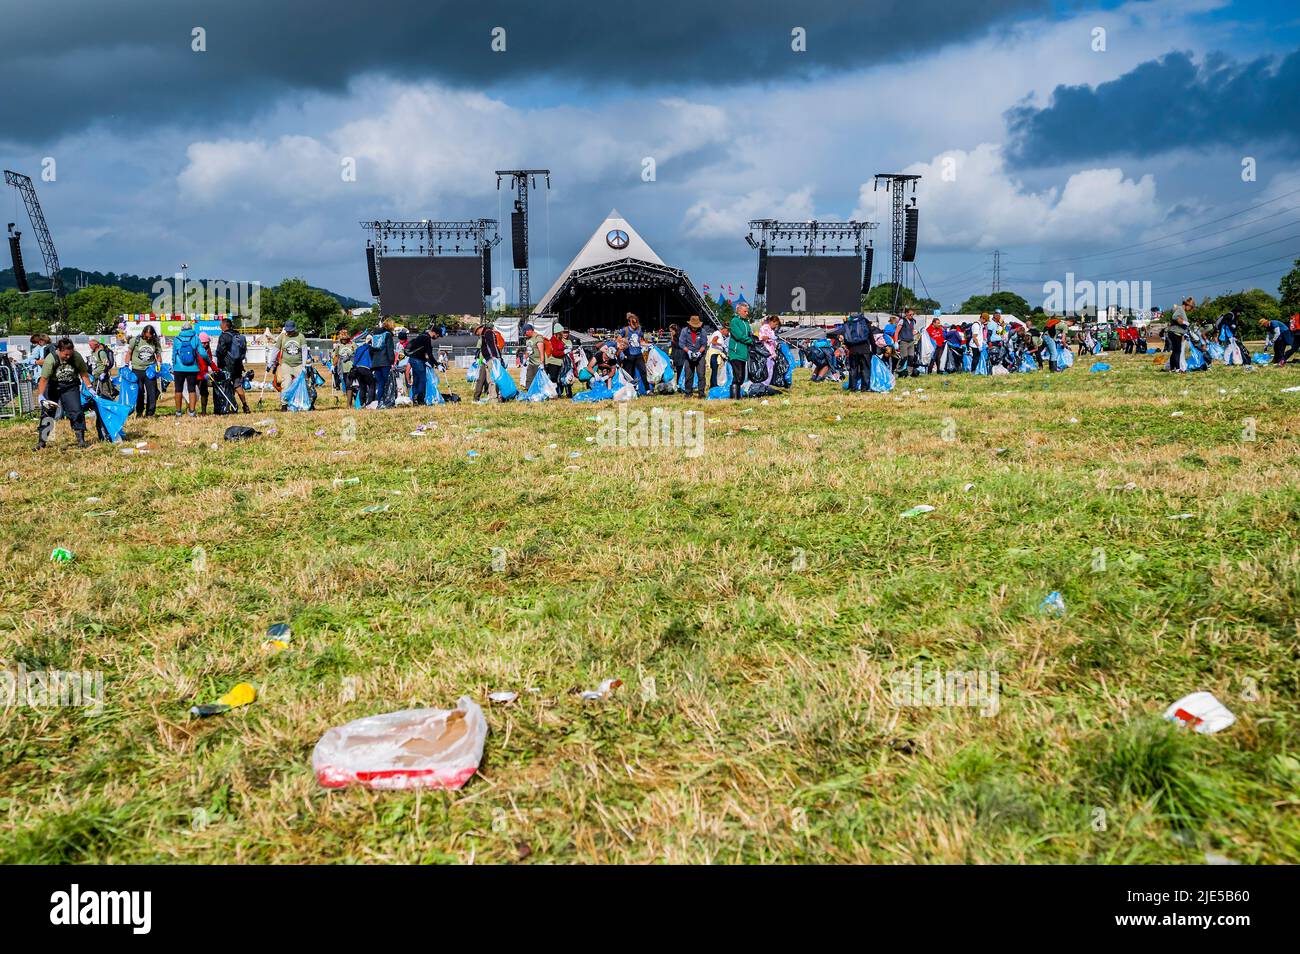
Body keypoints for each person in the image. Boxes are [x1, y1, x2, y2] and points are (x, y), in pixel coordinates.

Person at [35, 337, 94, 449]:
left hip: (70, 386)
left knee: (76, 411)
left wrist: (90, 387)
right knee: (48, 414)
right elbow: (44, 379)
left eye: (70, 354)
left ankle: (81, 440)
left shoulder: (76, 357)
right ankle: (42, 442)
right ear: (59, 350)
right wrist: (41, 395)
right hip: (53, 386)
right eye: (65, 355)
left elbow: (83, 373)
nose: (68, 357)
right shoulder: (51, 359)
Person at [214, 316, 251, 413]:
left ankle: (230, 406)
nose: (220, 325)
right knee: (238, 385)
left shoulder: (224, 336)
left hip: (227, 365)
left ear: (225, 325)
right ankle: (245, 405)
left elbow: (220, 351)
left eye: (221, 324)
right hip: (238, 365)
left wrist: (217, 357)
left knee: (227, 386)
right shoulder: (237, 335)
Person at [127, 324, 162, 416]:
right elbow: (129, 353)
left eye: (150, 337)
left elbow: (158, 354)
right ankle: (139, 412)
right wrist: (126, 364)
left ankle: (150, 413)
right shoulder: (135, 340)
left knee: (152, 392)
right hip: (137, 369)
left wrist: (159, 364)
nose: (148, 339)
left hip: (150, 370)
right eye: (146, 336)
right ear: (143, 333)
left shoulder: (155, 342)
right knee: (139, 391)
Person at [274, 320, 309, 398]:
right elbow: (275, 350)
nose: (289, 332)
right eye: (288, 331)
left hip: (299, 364)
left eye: (291, 331)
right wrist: (271, 362)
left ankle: (306, 401)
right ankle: (284, 404)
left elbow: (304, 351)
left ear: (294, 329)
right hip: (286, 364)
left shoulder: (300, 336)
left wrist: (303, 365)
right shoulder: (282, 337)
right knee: (286, 383)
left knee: (304, 383)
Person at [405, 323, 436, 405]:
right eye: (438, 335)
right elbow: (429, 354)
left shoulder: (422, 335)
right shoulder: (427, 338)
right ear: (434, 333)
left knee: (416, 380)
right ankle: (419, 399)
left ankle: (414, 399)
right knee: (423, 380)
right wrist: (437, 364)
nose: (437, 337)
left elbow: (421, 351)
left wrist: (426, 360)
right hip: (418, 361)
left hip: (412, 359)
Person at [368, 319, 397, 407]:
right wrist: (392, 361)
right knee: (386, 383)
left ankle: (379, 401)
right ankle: (385, 401)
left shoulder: (375, 335)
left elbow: (371, 349)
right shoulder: (388, 335)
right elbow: (390, 349)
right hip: (385, 362)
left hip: (376, 362)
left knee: (380, 383)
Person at [728, 303, 754, 399]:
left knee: (742, 377)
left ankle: (738, 396)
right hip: (735, 353)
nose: (747, 313)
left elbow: (749, 334)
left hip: (744, 354)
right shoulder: (734, 321)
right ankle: (734, 398)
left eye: (747, 311)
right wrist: (751, 341)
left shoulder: (746, 322)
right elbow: (739, 336)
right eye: (745, 311)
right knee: (738, 376)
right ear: (739, 311)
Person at [473, 322, 504, 402]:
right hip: (487, 359)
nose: (477, 334)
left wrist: (495, 358)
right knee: (489, 379)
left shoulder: (488, 333)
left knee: (493, 379)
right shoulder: (484, 334)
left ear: (479, 329)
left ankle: (494, 398)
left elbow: (492, 346)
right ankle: (491, 396)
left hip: (491, 359)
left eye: (476, 332)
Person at [619, 313, 650, 394]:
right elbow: (618, 340)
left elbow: (641, 341)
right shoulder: (624, 330)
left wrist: (648, 345)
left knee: (643, 371)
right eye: (633, 323)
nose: (635, 324)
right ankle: (629, 391)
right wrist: (623, 343)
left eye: (636, 322)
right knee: (629, 374)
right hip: (629, 355)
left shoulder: (639, 330)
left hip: (638, 354)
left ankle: (648, 390)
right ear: (629, 322)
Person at [678, 315, 707, 397]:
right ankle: (688, 393)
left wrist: (698, 353)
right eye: (693, 326)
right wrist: (689, 352)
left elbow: (704, 344)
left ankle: (701, 393)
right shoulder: (684, 331)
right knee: (688, 375)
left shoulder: (703, 332)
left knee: (701, 375)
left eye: (696, 326)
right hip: (688, 355)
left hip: (700, 355)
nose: (695, 328)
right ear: (690, 325)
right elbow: (681, 343)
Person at [1167, 296, 1192, 372]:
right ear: (1187, 305)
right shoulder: (1180, 309)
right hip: (1174, 333)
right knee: (1177, 351)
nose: (1190, 310)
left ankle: (1172, 368)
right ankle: (1178, 369)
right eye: (1191, 308)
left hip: (1178, 333)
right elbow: (1174, 316)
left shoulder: (1183, 311)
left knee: (1175, 351)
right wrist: (1184, 322)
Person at [523, 324, 546, 389]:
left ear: (529, 330)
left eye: (525, 332)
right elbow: (528, 350)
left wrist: (542, 363)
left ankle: (539, 394)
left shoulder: (538, 337)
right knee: (529, 379)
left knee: (539, 380)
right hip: (531, 363)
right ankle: (529, 393)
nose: (525, 334)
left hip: (538, 363)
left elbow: (541, 352)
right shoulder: (528, 339)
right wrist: (525, 359)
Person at [707, 322, 729, 389]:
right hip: (714, 354)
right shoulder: (717, 334)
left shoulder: (720, 335)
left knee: (715, 370)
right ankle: (714, 385)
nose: (727, 333)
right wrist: (721, 345)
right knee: (714, 370)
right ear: (724, 329)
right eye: (727, 331)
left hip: (717, 354)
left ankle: (713, 384)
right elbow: (713, 341)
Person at [545, 322, 566, 390]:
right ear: (558, 332)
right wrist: (564, 352)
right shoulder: (553, 340)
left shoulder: (560, 340)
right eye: (562, 332)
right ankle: (553, 392)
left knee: (559, 378)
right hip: (553, 362)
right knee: (553, 378)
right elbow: (555, 353)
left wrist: (565, 347)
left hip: (559, 362)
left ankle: (558, 392)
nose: (563, 334)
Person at [896, 309, 917, 376]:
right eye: (910, 314)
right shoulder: (902, 321)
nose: (912, 316)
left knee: (911, 357)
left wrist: (914, 332)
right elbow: (896, 332)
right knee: (904, 357)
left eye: (913, 314)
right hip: (903, 341)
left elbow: (912, 330)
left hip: (911, 341)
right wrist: (896, 342)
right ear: (906, 314)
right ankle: (898, 370)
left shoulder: (913, 321)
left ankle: (909, 373)